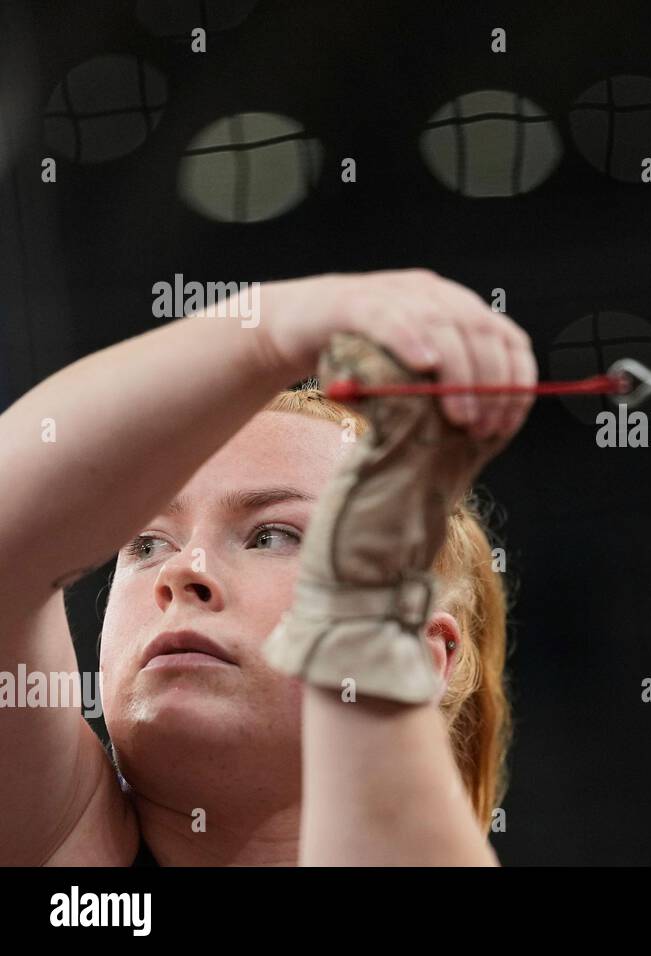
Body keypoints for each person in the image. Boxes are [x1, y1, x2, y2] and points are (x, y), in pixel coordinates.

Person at [0, 269, 537, 865]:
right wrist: (269, 330)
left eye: (273, 535)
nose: (182, 572)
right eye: (147, 544)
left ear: (423, 653)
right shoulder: (67, 842)